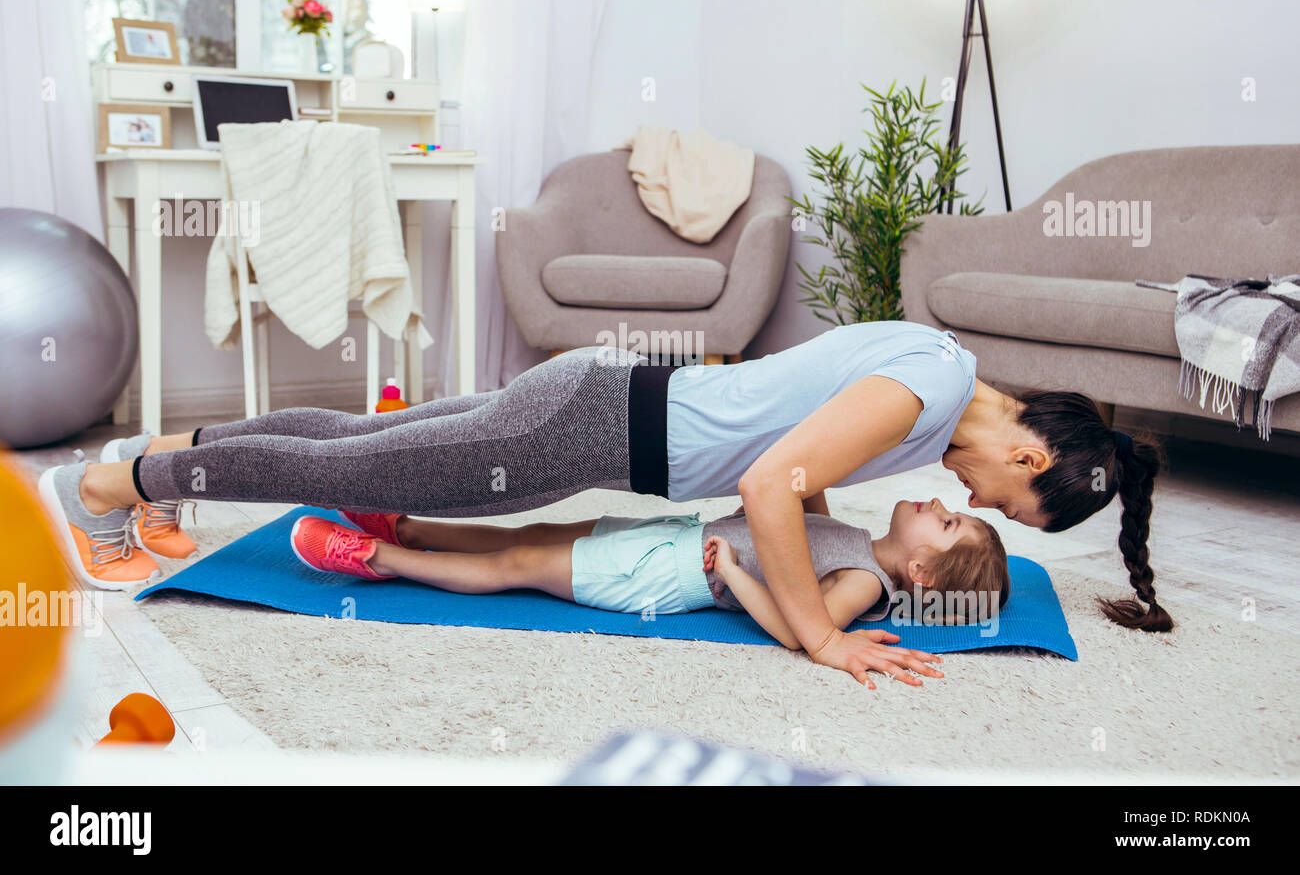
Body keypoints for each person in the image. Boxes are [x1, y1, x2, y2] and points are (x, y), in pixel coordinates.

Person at [41, 320, 1166, 686]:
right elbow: (766, 482)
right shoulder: (935, 387)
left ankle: (156, 454)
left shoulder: (939, 364)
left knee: (361, 441)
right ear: (1029, 448)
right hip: (591, 426)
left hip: (601, 394)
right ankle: (106, 486)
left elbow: (780, 453)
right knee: (351, 468)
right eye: (1009, 503)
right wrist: (819, 630)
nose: (976, 499)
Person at [292, 496, 1006, 690]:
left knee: (518, 562)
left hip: (666, 574)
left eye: (945, 524)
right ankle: (412, 528)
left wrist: (730, 568)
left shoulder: (863, 582)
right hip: (670, 536)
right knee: (538, 528)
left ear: (919, 573)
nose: (938, 503)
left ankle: (377, 557)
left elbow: (800, 632)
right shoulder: (858, 539)